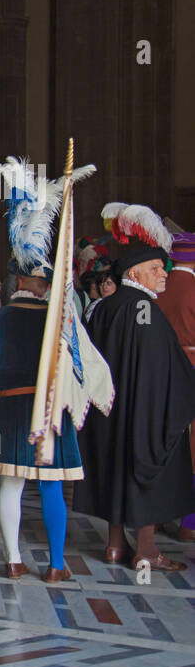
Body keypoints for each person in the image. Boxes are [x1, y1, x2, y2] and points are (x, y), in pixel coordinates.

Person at [0, 161, 110, 581]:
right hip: (50, 411)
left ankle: (13, 561)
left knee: (10, 484)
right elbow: (80, 362)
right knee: (52, 487)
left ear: (16, 282)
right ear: (47, 284)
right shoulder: (62, 319)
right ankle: (56, 566)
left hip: (10, 412)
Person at [79, 204, 195, 572]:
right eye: (157, 269)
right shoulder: (144, 309)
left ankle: (115, 545)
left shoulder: (107, 305)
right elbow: (157, 367)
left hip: (110, 410)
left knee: (115, 470)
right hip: (144, 410)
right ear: (135, 273)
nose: (164, 275)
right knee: (147, 468)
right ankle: (146, 550)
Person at [154, 231, 195, 543]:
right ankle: (189, 524)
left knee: (161, 442)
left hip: (160, 371)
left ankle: (152, 518)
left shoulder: (157, 289)